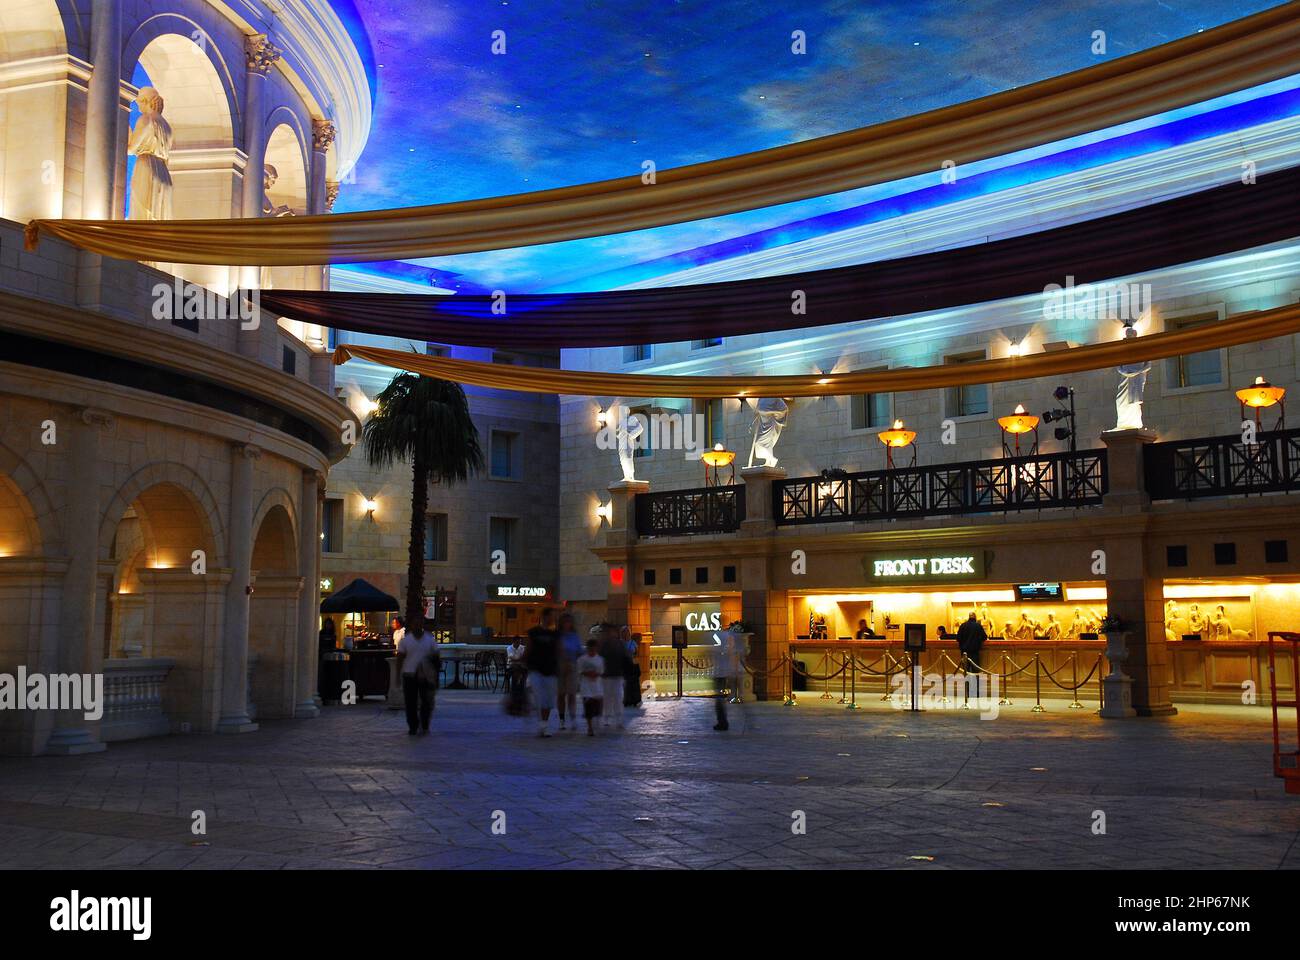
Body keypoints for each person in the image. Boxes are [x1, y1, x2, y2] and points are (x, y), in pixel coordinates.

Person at [397, 614, 439, 736]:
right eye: (415, 623)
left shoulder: (429, 640)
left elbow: (436, 658)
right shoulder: (406, 641)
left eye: (420, 623)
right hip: (409, 675)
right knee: (410, 703)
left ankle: (424, 724)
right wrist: (397, 676)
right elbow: (400, 658)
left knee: (426, 702)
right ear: (411, 625)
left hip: (425, 676)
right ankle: (413, 726)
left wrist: (434, 676)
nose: (418, 625)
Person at [526, 608, 560, 737]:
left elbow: (559, 651)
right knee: (540, 698)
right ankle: (542, 723)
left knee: (548, 700)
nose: (552, 619)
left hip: (551, 670)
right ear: (545, 617)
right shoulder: (534, 632)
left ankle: (544, 725)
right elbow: (528, 649)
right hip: (537, 669)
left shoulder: (555, 634)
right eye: (551, 616)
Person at [597, 623, 629, 729]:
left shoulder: (618, 644)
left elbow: (625, 658)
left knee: (617, 697)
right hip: (606, 675)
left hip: (617, 675)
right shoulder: (603, 644)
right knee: (607, 697)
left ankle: (618, 718)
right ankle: (607, 718)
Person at [711, 628, 742, 731]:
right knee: (720, 699)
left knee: (719, 699)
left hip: (721, 674)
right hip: (724, 673)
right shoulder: (728, 641)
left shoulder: (722, 643)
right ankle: (723, 721)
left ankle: (722, 722)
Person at [556, 613, 583, 730]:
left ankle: (572, 717)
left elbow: (579, 651)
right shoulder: (557, 636)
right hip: (560, 667)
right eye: (565, 622)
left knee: (571, 694)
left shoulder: (574, 636)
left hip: (572, 667)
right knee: (561, 694)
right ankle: (562, 719)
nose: (567, 624)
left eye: (569, 622)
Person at [576, 637, 606, 736]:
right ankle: (590, 727)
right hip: (586, 687)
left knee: (597, 706)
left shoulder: (600, 659)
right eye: (590, 649)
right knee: (588, 708)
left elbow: (601, 671)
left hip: (597, 687)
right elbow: (579, 670)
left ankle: (597, 721)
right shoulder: (582, 659)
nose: (592, 651)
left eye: (594, 649)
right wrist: (588, 673)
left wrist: (595, 674)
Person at [956, 611, 988, 699]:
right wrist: (977, 641)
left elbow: (958, 638)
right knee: (975, 672)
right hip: (974, 652)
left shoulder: (963, 625)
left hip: (964, 652)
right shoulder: (978, 626)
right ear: (975, 617)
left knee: (965, 672)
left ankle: (966, 692)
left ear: (969, 617)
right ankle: (975, 692)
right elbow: (984, 637)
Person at [621, 625, 642, 707]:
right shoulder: (620, 643)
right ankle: (626, 700)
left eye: (627, 632)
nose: (625, 634)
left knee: (634, 684)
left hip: (633, 665)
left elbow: (637, 653)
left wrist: (632, 655)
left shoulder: (633, 643)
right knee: (625, 684)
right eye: (624, 633)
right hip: (624, 665)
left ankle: (635, 700)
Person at [505, 635, 527, 714]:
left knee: (524, 671)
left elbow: (523, 658)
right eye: (517, 642)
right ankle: (515, 689)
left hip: (520, 666)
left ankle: (521, 687)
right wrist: (520, 659)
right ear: (514, 642)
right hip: (511, 667)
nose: (519, 644)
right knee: (515, 670)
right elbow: (511, 658)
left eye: (520, 642)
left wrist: (518, 660)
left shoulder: (523, 648)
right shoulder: (509, 648)